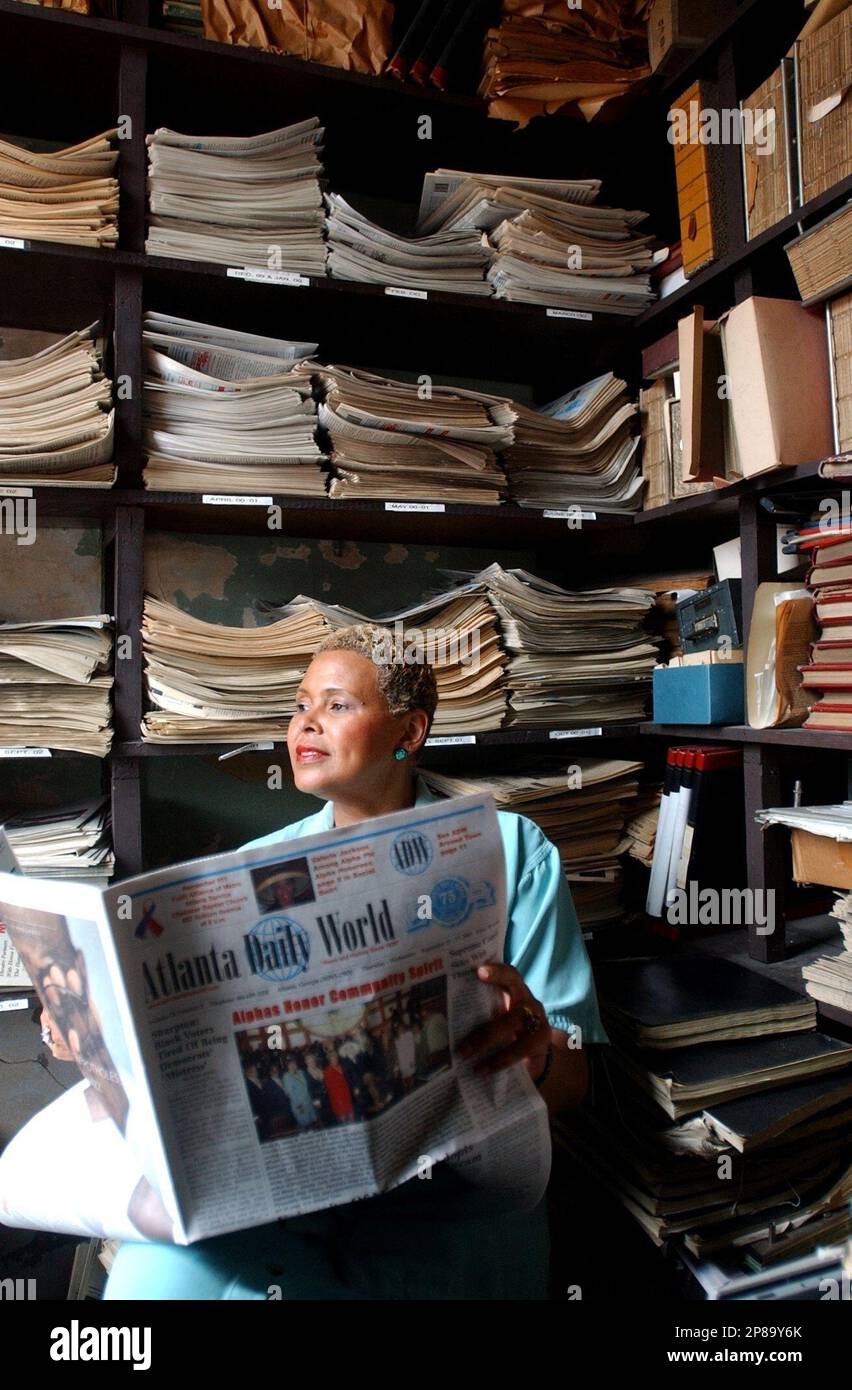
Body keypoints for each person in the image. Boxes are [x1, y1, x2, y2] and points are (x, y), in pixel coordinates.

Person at [104, 623, 608, 1300]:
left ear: (411, 731)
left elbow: (574, 1080)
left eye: (337, 705)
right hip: (285, 1196)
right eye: (301, 704)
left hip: (444, 1197)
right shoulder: (255, 872)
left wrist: (533, 1046)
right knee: (146, 1280)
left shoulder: (510, 849)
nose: (307, 721)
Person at [280, 1057, 315, 1129]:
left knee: (312, 1124)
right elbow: (290, 1094)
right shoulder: (287, 1077)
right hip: (299, 1105)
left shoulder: (301, 1072)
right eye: (290, 1064)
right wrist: (299, 1106)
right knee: (304, 1125)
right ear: (287, 1066)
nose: (293, 1065)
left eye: (294, 1063)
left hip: (308, 1102)